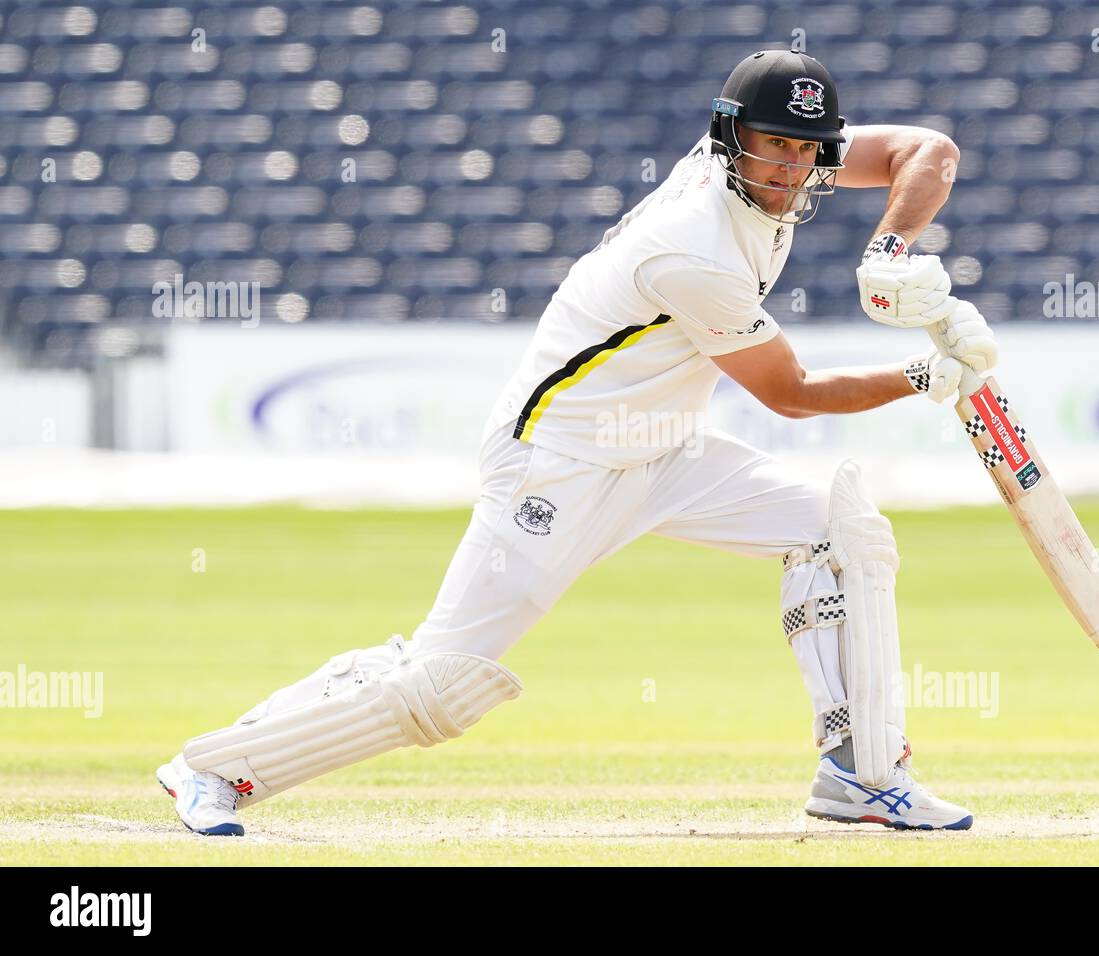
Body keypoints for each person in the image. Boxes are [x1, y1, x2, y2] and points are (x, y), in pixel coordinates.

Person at [157, 48, 997, 836]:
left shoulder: (785, 168)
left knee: (841, 530)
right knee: (443, 682)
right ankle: (217, 768)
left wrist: (889, 249)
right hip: (562, 462)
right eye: (771, 146)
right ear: (729, 138)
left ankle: (861, 769)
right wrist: (925, 375)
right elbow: (792, 394)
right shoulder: (692, 245)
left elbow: (928, 149)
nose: (787, 170)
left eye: (806, 151)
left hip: (664, 448)